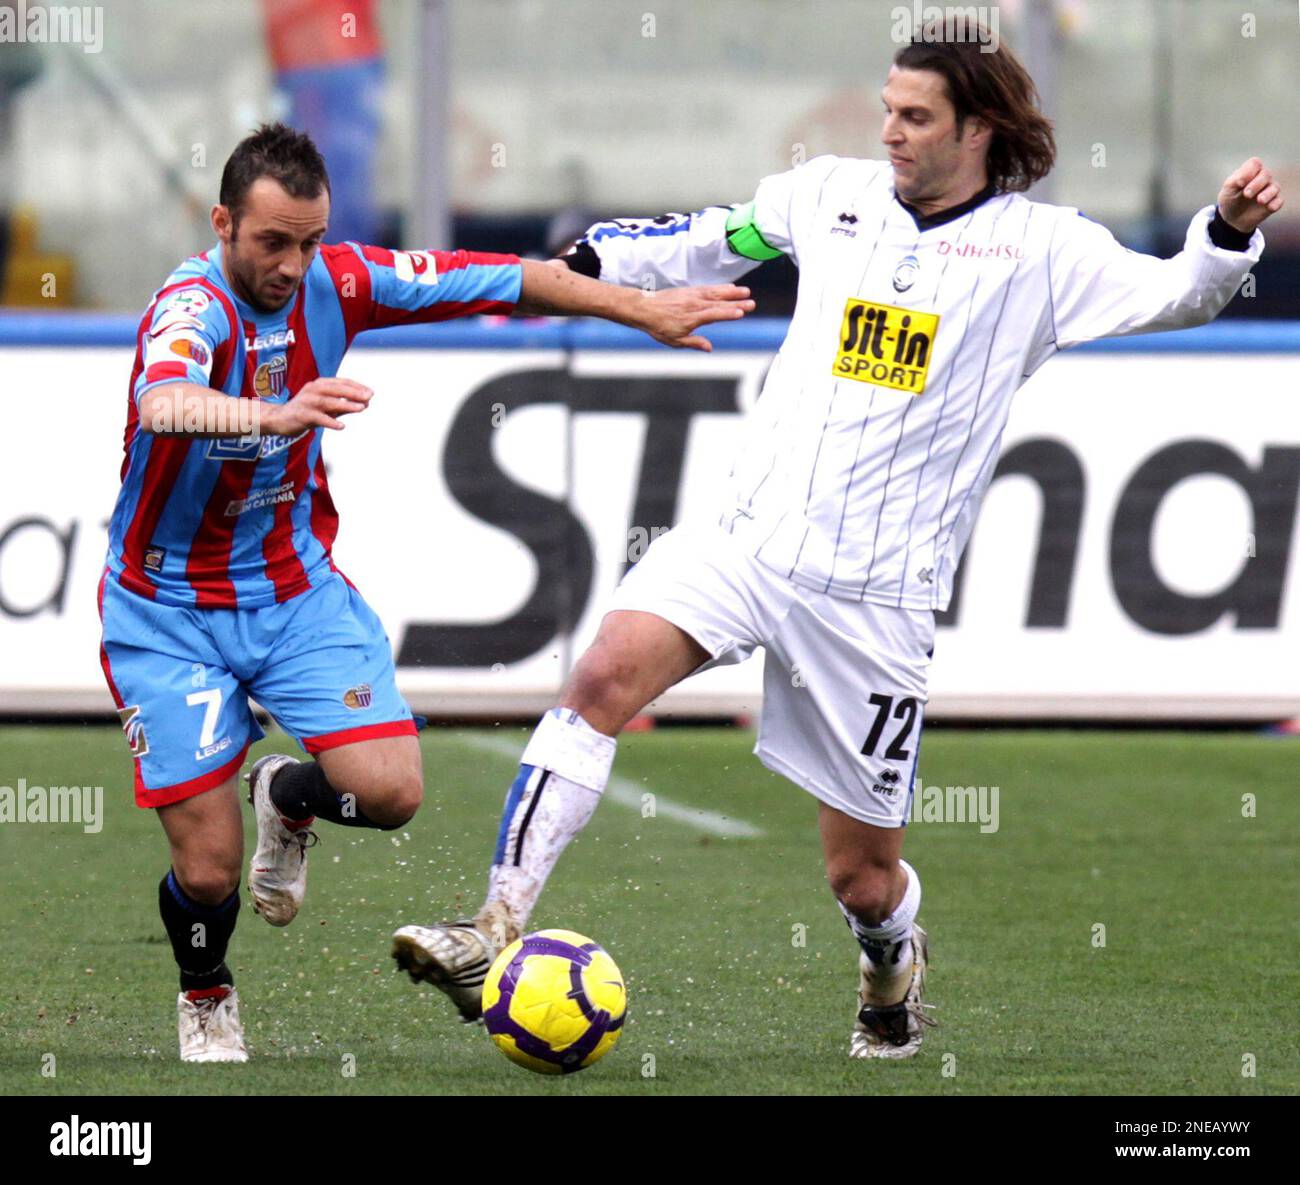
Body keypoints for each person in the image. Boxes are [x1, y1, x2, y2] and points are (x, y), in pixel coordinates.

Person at [391, 23, 1282, 1060]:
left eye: (915, 118)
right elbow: (713, 237)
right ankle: (490, 926)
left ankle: (890, 962)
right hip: (745, 533)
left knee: (859, 878)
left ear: (979, 128)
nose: (891, 135)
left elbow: (1179, 295)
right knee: (597, 683)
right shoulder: (829, 198)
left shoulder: (1046, 252)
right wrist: (589, 269)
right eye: (887, 112)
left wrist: (1221, 230)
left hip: (874, 595)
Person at [97, 122, 754, 1063]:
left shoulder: (340, 282)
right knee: (206, 871)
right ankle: (206, 990)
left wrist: (635, 309)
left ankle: (288, 793)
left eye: (310, 240)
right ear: (223, 223)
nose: (293, 264)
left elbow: (506, 278)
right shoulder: (189, 307)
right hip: (165, 611)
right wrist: (274, 413)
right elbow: (165, 403)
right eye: (272, 241)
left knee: (394, 792)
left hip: (295, 594)